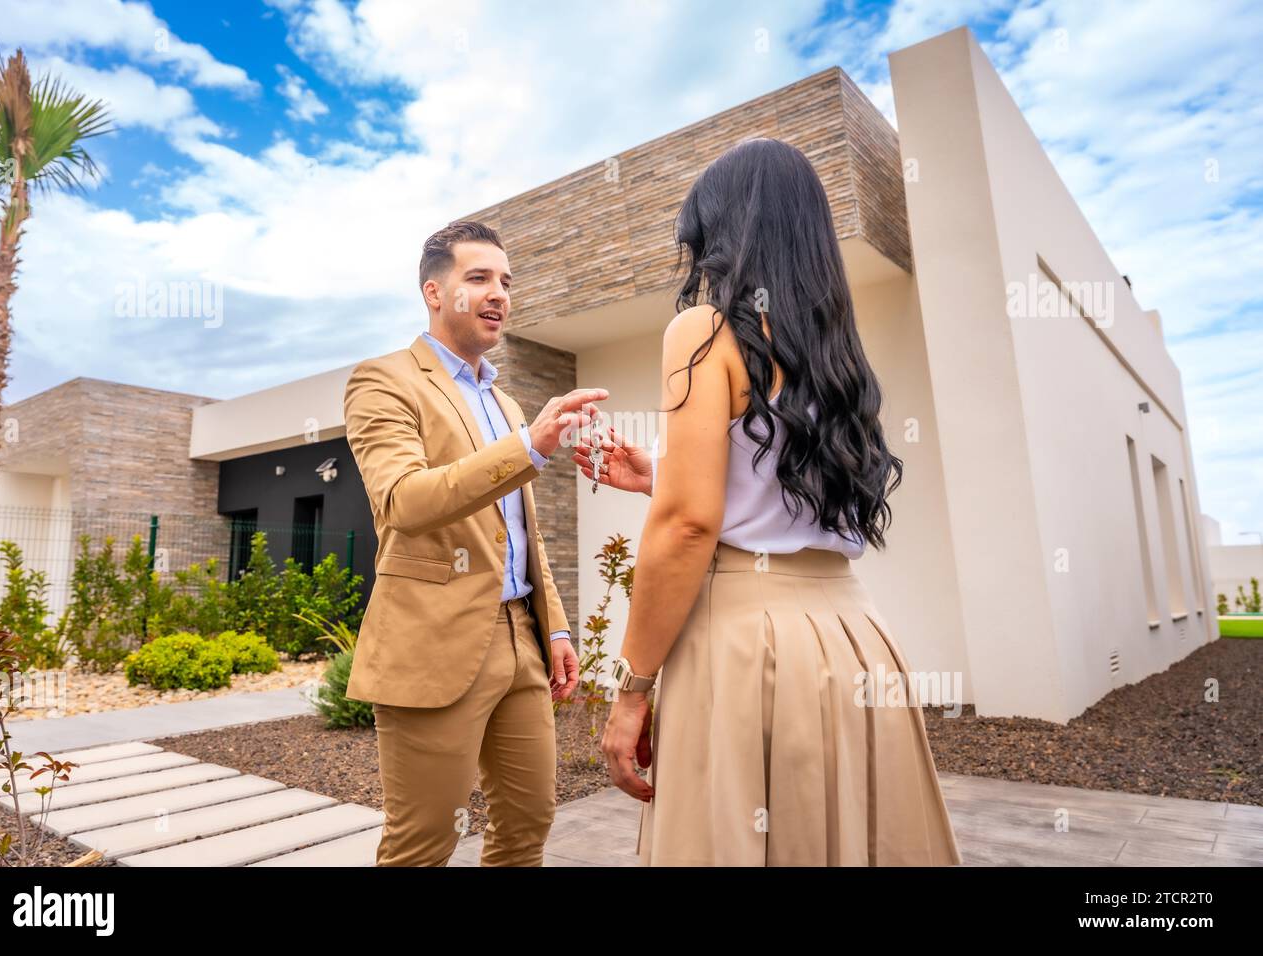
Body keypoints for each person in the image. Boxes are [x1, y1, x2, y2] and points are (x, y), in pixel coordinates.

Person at [574, 138, 963, 866]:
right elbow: (782, 493)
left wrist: (632, 690)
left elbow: (691, 526)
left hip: (748, 646)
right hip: (854, 639)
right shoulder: (838, 352)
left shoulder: (703, 331)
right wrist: (661, 472)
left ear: (722, 231)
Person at [344, 219, 604, 865]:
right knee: (423, 843)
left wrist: (559, 629)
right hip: (434, 641)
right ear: (435, 292)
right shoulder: (384, 380)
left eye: (507, 281)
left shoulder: (509, 405)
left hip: (522, 638)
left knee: (528, 825)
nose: (499, 294)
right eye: (479, 278)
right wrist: (529, 448)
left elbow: (522, 533)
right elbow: (404, 500)